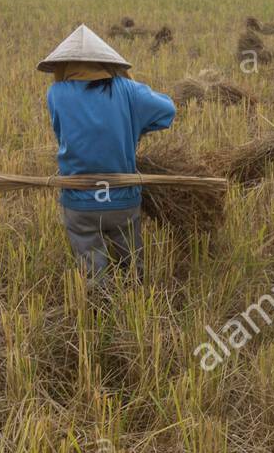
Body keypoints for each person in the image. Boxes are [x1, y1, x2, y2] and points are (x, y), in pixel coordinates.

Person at [39, 24, 175, 283]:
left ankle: (98, 308)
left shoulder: (55, 93)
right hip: (123, 200)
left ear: (63, 66)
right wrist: (134, 110)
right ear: (110, 65)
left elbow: (62, 131)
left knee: (92, 270)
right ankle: (134, 303)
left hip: (79, 200)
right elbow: (168, 111)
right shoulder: (129, 91)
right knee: (132, 265)